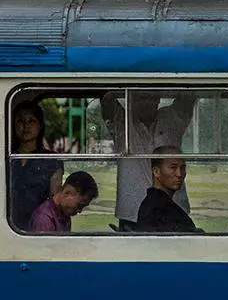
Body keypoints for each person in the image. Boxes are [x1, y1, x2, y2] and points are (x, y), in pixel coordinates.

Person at [102, 90, 195, 230]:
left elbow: (189, 93)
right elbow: (106, 98)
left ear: (158, 99)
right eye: (140, 98)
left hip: (174, 207)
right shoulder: (122, 120)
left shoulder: (172, 118)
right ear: (130, 100)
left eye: (151, 97)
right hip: (131, 211)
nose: (146, 103)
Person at [9, 100, 63, 230]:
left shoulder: (52, 161)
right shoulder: (4, 156)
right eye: (20, 121)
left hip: (38, 227)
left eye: (31, 121)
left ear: (40, 126)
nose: (26, 126)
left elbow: (54, 202)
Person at [136, 147, 199, 233]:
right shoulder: (157, 210)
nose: (179, 174)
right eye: (173, 167)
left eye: (182, 168)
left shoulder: (160, 203)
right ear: (156, 171)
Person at [28, 171, 99, 233]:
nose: (80, 211)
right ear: (68, 193)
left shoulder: (64, 215)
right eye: (80, 205)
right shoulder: (45, 219)